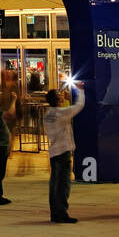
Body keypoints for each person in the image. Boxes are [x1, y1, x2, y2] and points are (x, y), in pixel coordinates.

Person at [44, 82, 85, 223]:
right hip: (63, 151)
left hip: (54, 152)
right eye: (60, 97)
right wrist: (80, 91)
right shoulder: (61, 113)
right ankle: (61, 213)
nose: (63, 98)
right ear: (58, 100)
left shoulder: (48, 114)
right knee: (63, 184)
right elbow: (79, 106)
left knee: (55, 184)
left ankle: (55, 212)